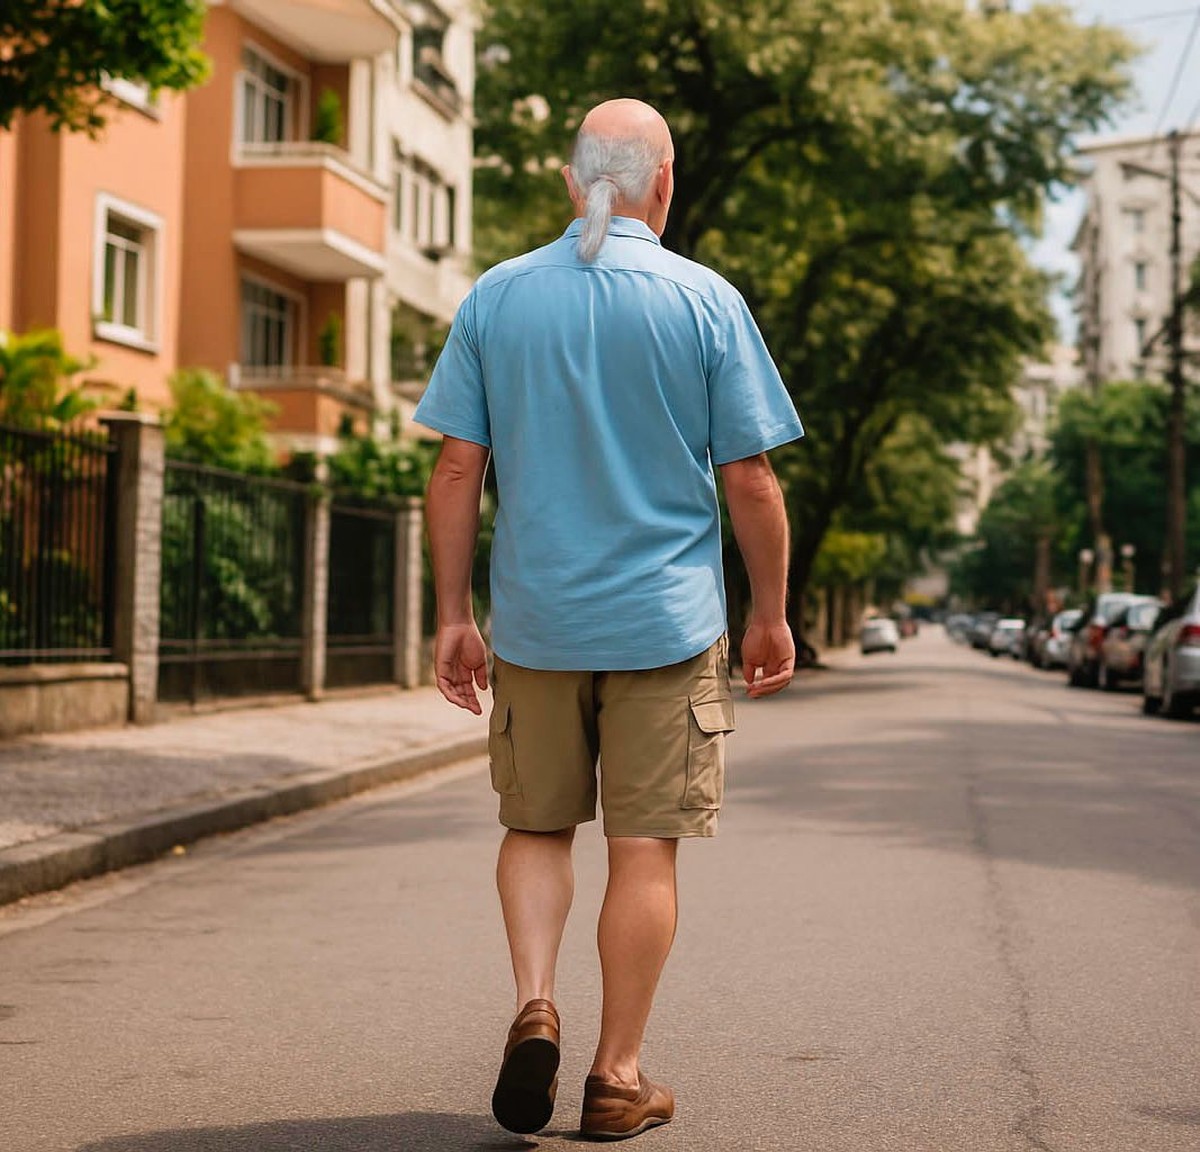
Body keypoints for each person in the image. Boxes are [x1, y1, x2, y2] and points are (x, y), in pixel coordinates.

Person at [414, 97, 803, 1142]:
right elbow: (753, 480)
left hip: (536, 624)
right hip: (666, 628)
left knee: (534, 826)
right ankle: (616, 1076)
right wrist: (769, 613)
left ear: (567, 180)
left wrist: (454, 617)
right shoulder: (705, 300)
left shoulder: (497, 298)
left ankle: (534, 1002)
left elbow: (457, 466)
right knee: (644, 850)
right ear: (662, 184)